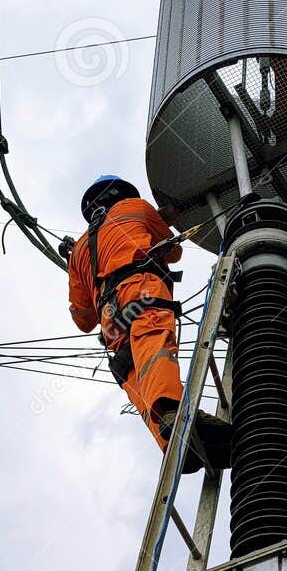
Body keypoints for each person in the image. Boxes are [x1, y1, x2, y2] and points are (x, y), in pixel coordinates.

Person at [64, 175, 230, 472]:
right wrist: (157, 220)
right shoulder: (135, 207)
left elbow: (83, 320)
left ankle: (174, 446)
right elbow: (174, 252)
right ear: (120, 194)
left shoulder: (77, 252)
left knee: (132, 369)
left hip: (109, 317)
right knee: (153, 343)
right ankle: (171, 411)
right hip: (139, 288)